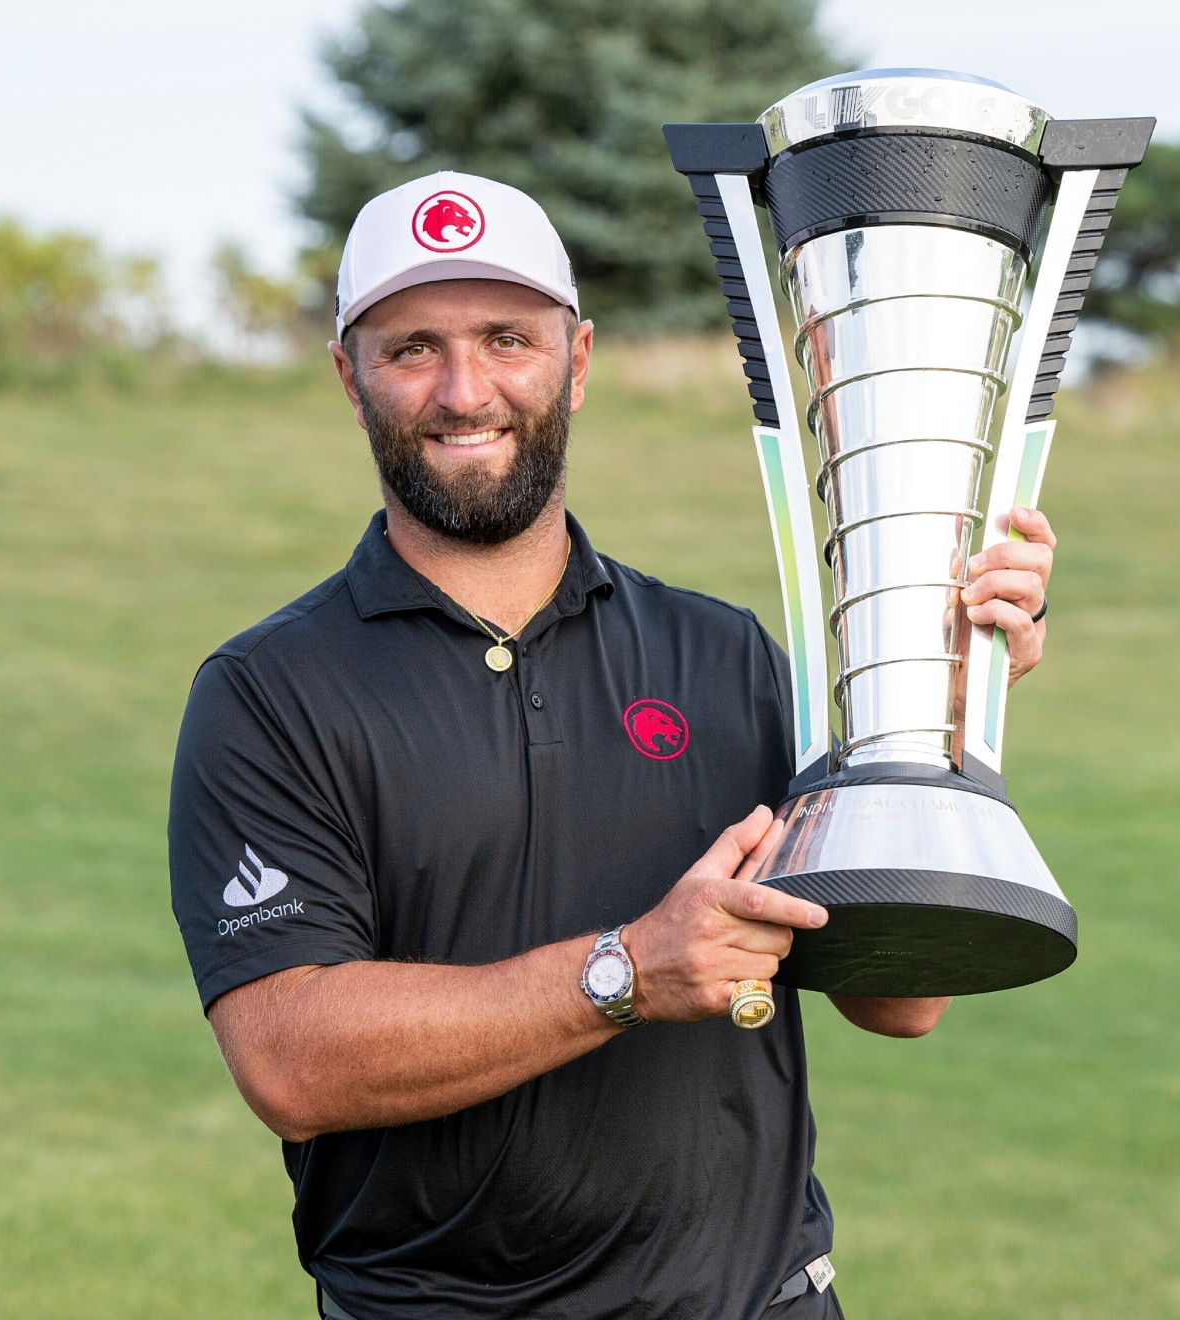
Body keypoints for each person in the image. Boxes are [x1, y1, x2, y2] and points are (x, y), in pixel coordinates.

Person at [167, 171, 1058, 1319]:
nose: (463, 389)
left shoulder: (722, 655)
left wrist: (948, 704)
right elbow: (291, 1062)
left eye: (507, 340)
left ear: (576, 362)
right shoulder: (272, 693)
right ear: (351, 377)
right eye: (411, 349)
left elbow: (903, 1001)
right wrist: (629, 971)